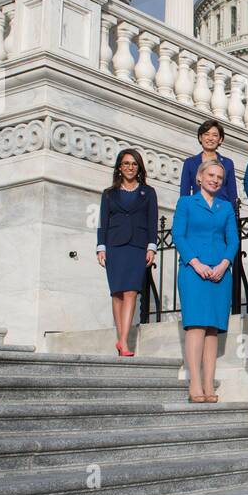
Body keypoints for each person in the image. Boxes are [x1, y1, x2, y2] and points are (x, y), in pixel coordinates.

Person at [173, 158, 239, 403]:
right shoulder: (186, 203)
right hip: (194, 271)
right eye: (211, 175)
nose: (215, 180)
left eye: (220, 177)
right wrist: (196, 262)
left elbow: (232, 240)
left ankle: (209, 384)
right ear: (199, 177)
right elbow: (179, 235)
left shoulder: (226, 207)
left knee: (213, 329)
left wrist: (224, 264)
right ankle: (195, 384)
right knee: (196, 326)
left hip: (220, 272)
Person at [95, 148, 157, 357]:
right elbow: (103, 222)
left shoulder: (148, 192)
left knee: (131, 291)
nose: (130, 167)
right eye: (126, 164)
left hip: (137, 246)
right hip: (114, 246)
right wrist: (100, 247)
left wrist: (152, 246)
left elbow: (152, 220)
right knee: (117, 294)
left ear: (138, 168)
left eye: (134, 164)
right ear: (119, 168)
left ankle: (123, 341)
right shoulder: (109, 193)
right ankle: (121, 339)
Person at [180, 119, 238, 205]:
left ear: (220, 139)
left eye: (215, 135)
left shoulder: (227, 163)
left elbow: (232, 194)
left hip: (221, 211)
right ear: (200, 137)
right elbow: (184, 194)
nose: (210, 138)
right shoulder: (190, 163)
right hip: (198, 210)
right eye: (206, 134)